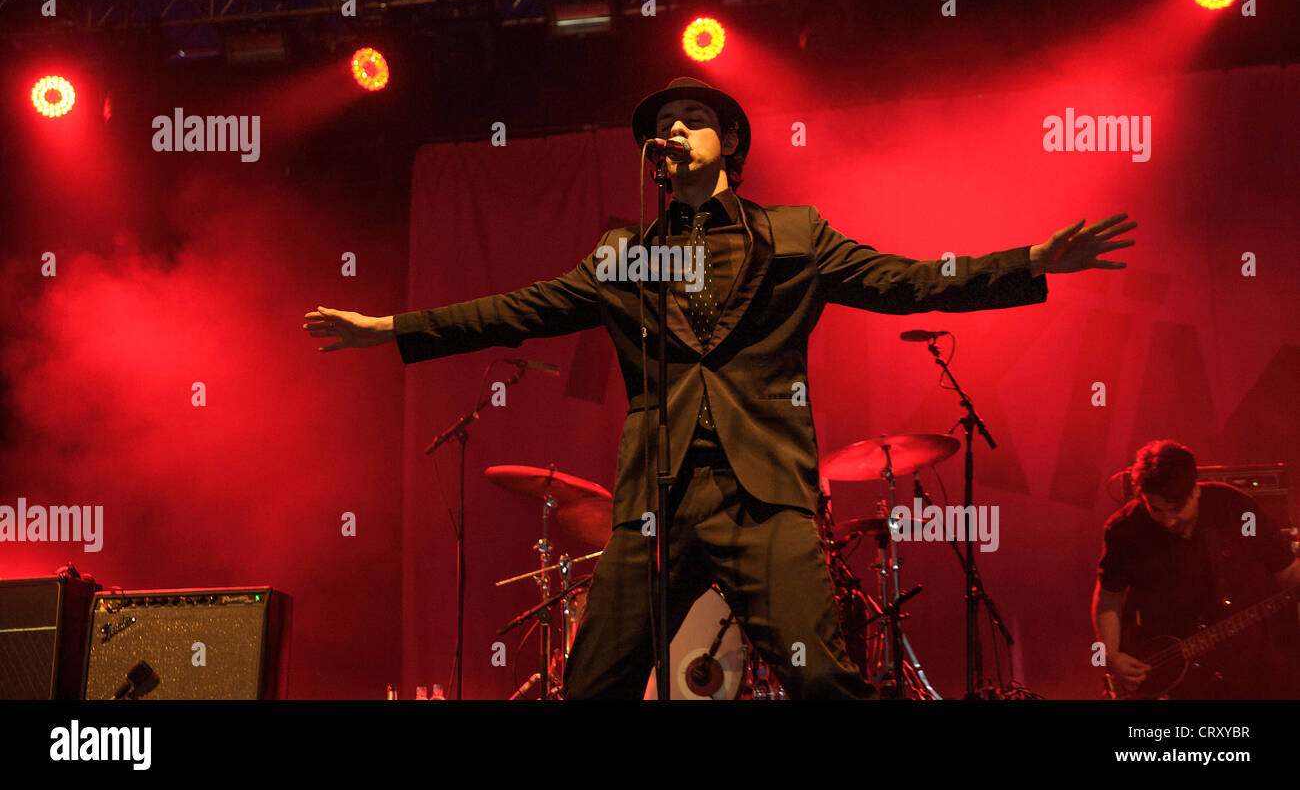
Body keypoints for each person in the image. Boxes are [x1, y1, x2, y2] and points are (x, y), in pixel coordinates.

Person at [305, 76, 1137, 699]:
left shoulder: (795, 234)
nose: (673, 128)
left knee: (824, 681)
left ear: (730, 143)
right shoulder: (623, 253)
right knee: (592, 683)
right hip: (657, 498)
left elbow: (907, 280)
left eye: (693, 120)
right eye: (663, 124)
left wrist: (1028, 262)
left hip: (764, 495)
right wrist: (391, 329)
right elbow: (517, 309)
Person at [1093, 439, 1300, 698]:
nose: (1168, 520)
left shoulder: (1234, 507)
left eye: (1176, 509)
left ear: (1195, 490)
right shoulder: (1124, 529)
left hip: (1247, 665)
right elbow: (1108, 598)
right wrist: (1111, 656)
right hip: (1173, 673)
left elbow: (1289, 572)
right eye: (1156, 510)